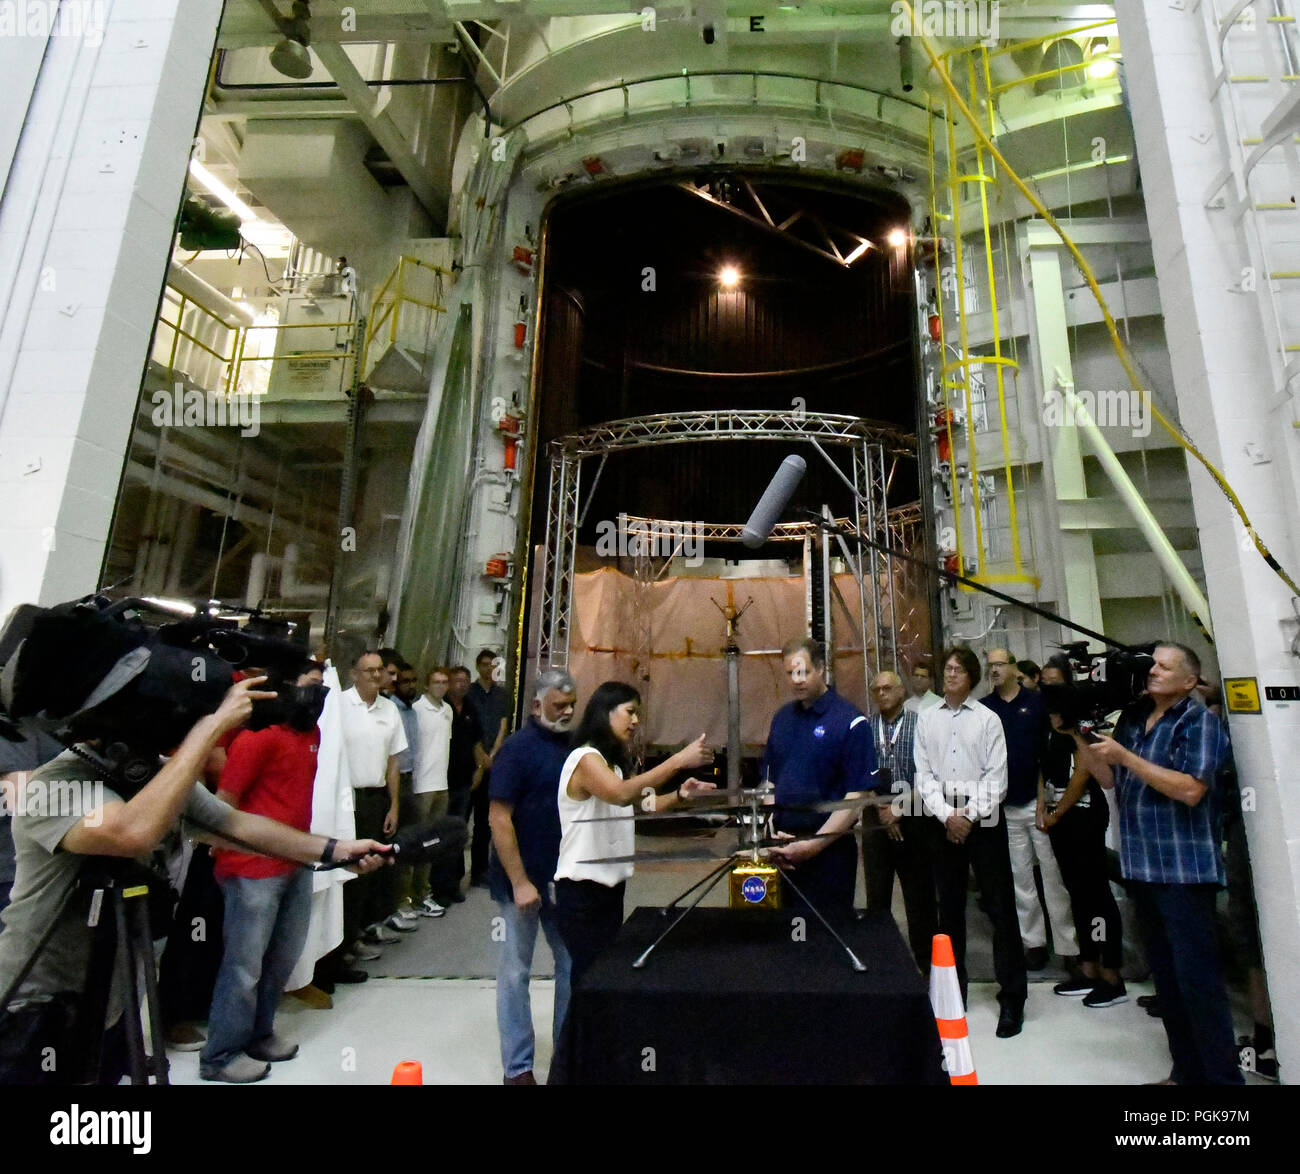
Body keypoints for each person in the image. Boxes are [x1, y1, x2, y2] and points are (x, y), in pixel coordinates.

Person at [0, 676, 389, 1085]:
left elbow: (232, 825)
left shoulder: (154, 776)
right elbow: (132, 832)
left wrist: (334, 850)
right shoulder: (53, 784)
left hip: (113, 1002)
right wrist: (208, 733)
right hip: (35, 1000)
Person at [1084, 642, 1239, 1085]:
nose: (1152, 671)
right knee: (1167, 986)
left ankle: (1225, 1082)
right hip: (1143, 870)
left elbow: (1192, 789)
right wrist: (1083, 737)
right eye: (1152, 664)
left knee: (1199, 986)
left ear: (1189, 681)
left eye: (1164, 667)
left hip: (1185, 874)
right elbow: (1111, 778)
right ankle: (1185, 1074)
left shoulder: (1199, 723)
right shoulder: (1134, 720)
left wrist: (1127, 756)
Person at [199, 661, 329, 1082]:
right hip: (251, 867)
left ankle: (260, 1033)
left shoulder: (312, 734)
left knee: (281, 958)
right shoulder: (257, 739)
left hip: (296, 861)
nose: (319, 695)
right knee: (243, 966)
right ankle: (220, 1054)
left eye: (322, 687)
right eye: (311, 686)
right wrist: (223, 854)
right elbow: (224, 802)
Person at [554, 682, 715, 986]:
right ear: (605, 712)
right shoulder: (585, 758)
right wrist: (678, 760)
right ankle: (576, 1035)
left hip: (609, 890)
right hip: (582, 892)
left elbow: (644, 803)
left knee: (603, 979)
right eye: (630, 712)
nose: (636, 721)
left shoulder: (611, 764)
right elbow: (619, 794)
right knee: (591, 982)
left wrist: (681, 794)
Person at [914, 645, 1028, 1038]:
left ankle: (1012, 997)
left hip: (984, 818)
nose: (950, 675)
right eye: (946, 668)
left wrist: (968, 816)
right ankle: (952, 992)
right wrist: (948, 815)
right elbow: (923, 774)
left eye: (959, 670)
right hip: (941, 819)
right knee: (949, 910)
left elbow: (997, 778)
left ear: (972, 677)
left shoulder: (989, 719)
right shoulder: (926, 720)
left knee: (1000, 907)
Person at [488, 668, 578, 1085]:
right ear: (537, 704)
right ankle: (518, 1068)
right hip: (520, 884)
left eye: (572, 705)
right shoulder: (517, 750)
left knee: (571, 965)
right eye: (559, 706)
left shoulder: (575, 749)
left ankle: (567, 1058)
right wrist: (521, 882)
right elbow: (499, 818)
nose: (567, 712)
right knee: (514, 972)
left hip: (564, 881)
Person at [762, 638, 879, 917]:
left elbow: (857, 796)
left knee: (824, 938)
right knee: (786, 934)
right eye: (790, 673)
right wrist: (769, 833)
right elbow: (771, 782)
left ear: (821, 669)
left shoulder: (850, 721)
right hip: (782, 849)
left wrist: (814, 845)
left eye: (803, 672)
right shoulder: (782, 719)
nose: (796, 680)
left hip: (830, 855)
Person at [981, 648, 1077, 972]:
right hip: (1004, 807)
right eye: (989, 664)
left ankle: (1068, 946)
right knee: (1021, 879)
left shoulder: (1036, 704)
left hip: (1037, 804)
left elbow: (1045, 754)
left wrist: (1042, 799)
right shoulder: (985, 709)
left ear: (1013, 668)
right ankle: (1032, 943)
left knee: (1053, 877)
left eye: (999, 664)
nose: (993, 669)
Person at [1036, 684, 1125, 1007]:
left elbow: (1084, 773)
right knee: (1077, 894)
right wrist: (1041, 809)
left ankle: (1111, 975)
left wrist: (1057, 812)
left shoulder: (1082, 732)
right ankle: (1088, 968)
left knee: (1096, 894)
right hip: (1058, 820)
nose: (1051, 714)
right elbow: (1043, 770)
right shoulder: (1049, 730)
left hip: (1084, 818)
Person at [860, 670, 938, 974]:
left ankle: (926, 964)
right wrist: (884, 810)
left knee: (918, 894)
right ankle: (881, 962)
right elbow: (861, 773)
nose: (881, 694)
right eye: (876, 689)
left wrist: (900, 809)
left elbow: (931, 774)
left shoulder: (921, 726)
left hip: (915, 815)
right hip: (875, 815)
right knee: (876, 894)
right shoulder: (866, 729)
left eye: (887, 688)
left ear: (902, 692)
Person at [337, 650, 410, 952]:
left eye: (379, 670)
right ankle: (342, 942)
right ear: (354, 674)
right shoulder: (339, 705)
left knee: (372, 871)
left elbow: (393, 761)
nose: (376, 676)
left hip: (375, 799)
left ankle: (362, 931)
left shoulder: (389, 710)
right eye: (369, 671)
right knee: (346, 872)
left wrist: (393, 804)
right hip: (346, 800)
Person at [410, 667, 454, 914]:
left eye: (444, 682)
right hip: (421, 787)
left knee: (432, 843)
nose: (441, 686)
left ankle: (423, 892)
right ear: (427, 686)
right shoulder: (417, 710)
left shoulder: (447, 711)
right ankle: (410, 897)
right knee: (417, 843)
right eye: (436, 682)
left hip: (441, 786)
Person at [390, 663, 431, 922]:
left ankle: (405, 899)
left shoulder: (412, 712)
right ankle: (395, 903)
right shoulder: (391, 709)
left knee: (410, 842)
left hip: (410, 780)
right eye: (406, 681)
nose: (411, 685)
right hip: (392, 782)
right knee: (397, 845)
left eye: (414, 680)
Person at [468, 649, 510, 887]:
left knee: (484, 822)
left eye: (492, 665)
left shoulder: (502, 695)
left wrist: (491, 756)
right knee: (462, 818)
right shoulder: (470, 694)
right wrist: (481, 758)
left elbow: (503, 727)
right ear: (478, 666)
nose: (488, 669)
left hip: (493, 764)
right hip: (471, 763)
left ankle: (480, 871)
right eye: (484, 664)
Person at [446, 666, 488, 900]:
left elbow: (477, 742)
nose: (461, 684)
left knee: (459, 829)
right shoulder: (442, 707)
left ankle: (455, 880)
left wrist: (480, 768)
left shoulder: (471, 708)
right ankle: (442, 883)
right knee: (443, 830)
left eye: (465, 680)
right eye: (457, 680)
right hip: (441, 780)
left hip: (464, 780)